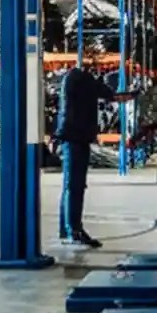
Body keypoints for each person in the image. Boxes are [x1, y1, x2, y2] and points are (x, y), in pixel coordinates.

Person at [53, 68, 134, 248]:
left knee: (70, 185)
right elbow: (108, 94)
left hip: (71, 136)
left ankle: (67, 229)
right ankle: (74, 230)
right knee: (75, 185)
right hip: (76, 137)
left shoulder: (72, 78)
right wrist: (130, 95)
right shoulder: (83, 79)